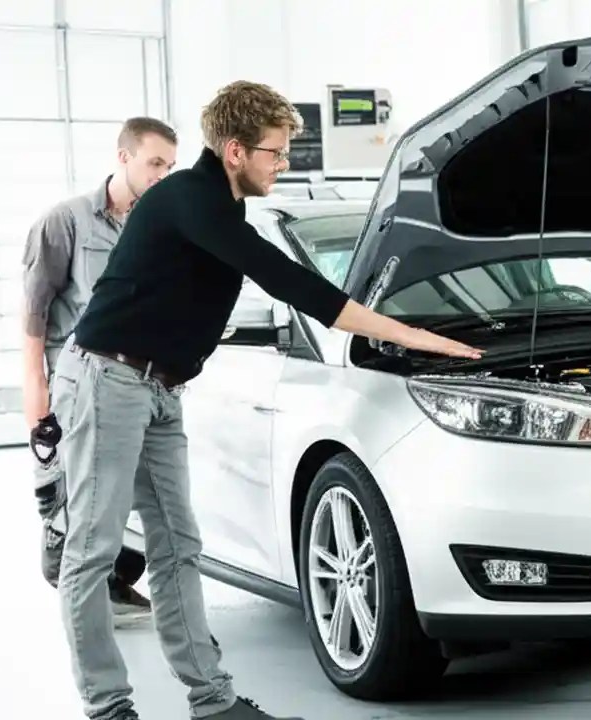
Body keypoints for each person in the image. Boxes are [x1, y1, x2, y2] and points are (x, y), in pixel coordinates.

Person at [48, 80, 483, 720]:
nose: (281, 165)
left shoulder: (219, 209)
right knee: (93, 551)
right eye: (274, 154)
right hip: (107, 381)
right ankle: (109, 708)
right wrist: (415, 335)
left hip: (160, 390)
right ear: (234, 151)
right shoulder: (189, 200)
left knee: (177, 548)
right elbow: (290, 282)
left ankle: (214, 703)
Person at [21, 117, 179, 624]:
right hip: (77, 382)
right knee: (75, 495)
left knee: (129, 491)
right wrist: (39, 413)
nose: (162, 174)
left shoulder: (154, 226)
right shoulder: (64, 222)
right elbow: (32, 324)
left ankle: (110, 582)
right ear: (123, 156)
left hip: (135, 380)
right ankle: (75, 581)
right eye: (155, 163)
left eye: (170, 167)